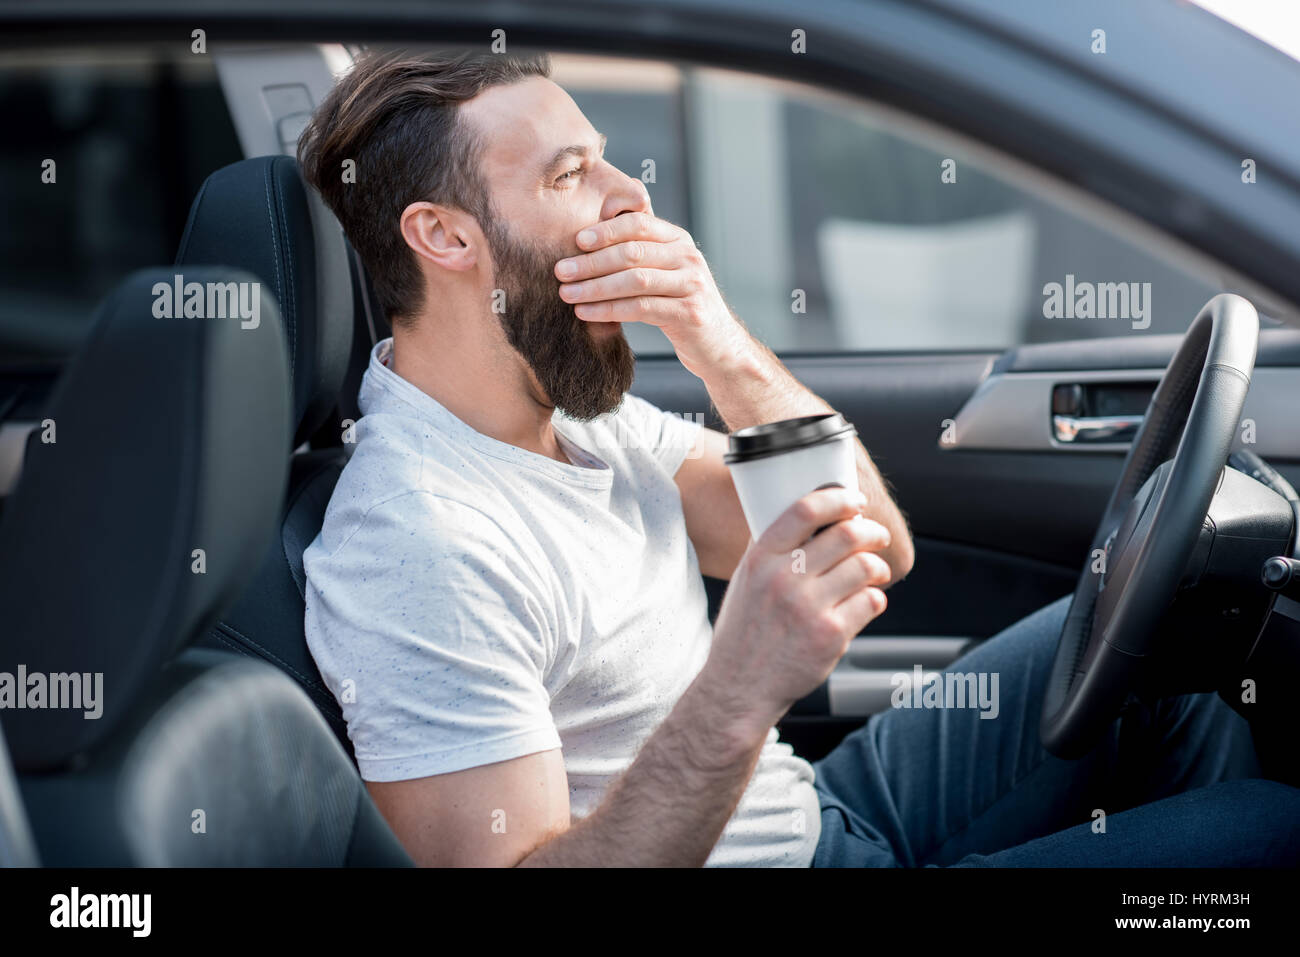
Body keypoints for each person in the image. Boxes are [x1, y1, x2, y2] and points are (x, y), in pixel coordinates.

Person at [299, 49, 1300, 867]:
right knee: (1269, 831)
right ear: (443, 236)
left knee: (1161, 657)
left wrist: (719, 344)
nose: (630, 195)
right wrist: (738, 693)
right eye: (570, 175)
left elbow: (870, 542)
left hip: (816, 813)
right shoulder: (418, 542)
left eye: (605, 160)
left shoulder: (575, 413)